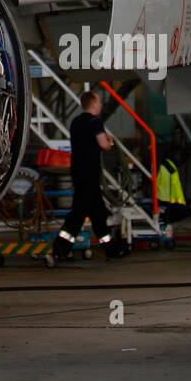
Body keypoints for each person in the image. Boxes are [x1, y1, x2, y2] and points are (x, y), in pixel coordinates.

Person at [51, 89, 126, 260]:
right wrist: (109, 140)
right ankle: (61, 247)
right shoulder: (95, 121)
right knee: (79, 212)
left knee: (97, 212)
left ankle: (111, 248)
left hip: (77, 171)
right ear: (93, 104)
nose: (100, 105)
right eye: (99, 102)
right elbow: (104, 145)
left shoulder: (75, 122)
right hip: (90, 173)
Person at [156, 151, 190, 247]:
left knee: (165, 219)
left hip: (165, 198)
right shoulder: (169, 166)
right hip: (170, 198)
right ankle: (167, 237)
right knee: (167, 220)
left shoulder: (164, 166)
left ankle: (167, 237)